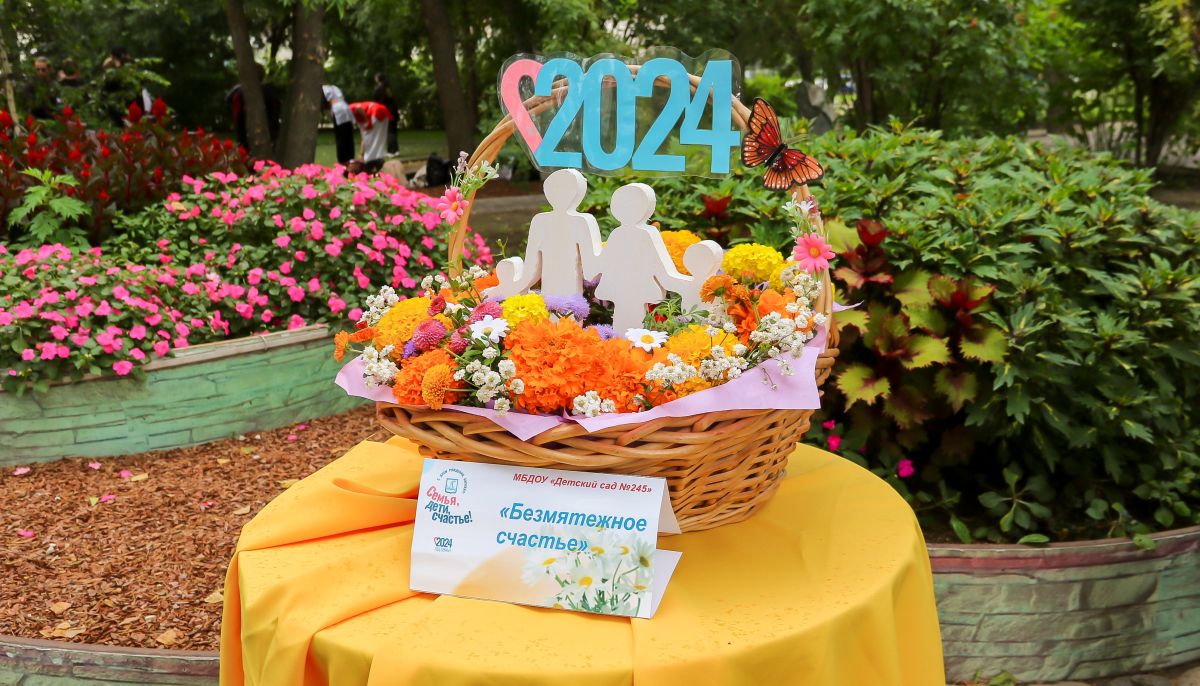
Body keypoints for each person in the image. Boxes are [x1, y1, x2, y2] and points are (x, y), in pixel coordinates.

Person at [227, 64, 282, 151]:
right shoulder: (270, 93)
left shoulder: (240, 93)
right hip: (267, 136)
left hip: (247, 137)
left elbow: (238, 118)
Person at [348, 101, 393, 173]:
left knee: (371, 140)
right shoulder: (357, 118)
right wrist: (361, 154)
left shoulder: (346, 109)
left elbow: (359, 108)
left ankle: (370, 164)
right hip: (382, 112)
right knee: (377, 140)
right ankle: (378, 161)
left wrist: (367, 121)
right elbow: (364, 139)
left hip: (375, 112)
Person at [321, 84, 355, 166]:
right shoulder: (334, 87)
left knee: (340, 137)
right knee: (348, 135)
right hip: (346, 108)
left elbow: (326, 103)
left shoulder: (324, 89)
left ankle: (343, 161)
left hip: (337, 110)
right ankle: (351, 159)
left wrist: (327, 113)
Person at [371, 72, 399, 154]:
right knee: (393, 130)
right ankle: (395, 150)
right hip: (393, 110)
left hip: (386, 110)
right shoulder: (388, 88)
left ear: (378, 79)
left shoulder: (379, 89)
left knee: (389, 131)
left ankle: (392, 151)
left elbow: (375, 100)